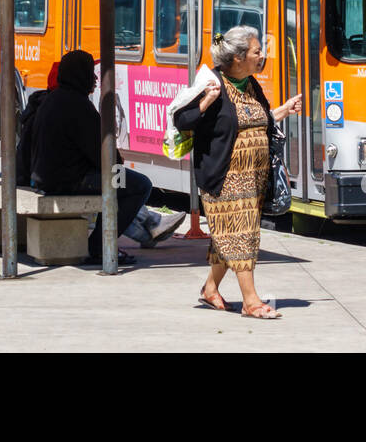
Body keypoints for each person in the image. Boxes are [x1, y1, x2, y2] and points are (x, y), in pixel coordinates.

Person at [173, 25, 301, 319]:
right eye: (257, 52)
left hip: (253, 179)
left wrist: (284, 110)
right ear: (239, 57)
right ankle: (251, 301)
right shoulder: (212, 83)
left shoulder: (251, 85)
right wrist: (206, 100)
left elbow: (261, 119)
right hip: (224, 178)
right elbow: (183, 120)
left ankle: (209, 290)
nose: (262, 56)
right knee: (241, 235)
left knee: (228, 238)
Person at [30, 49, 152, 266]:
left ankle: (133, 226)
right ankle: (99, 247)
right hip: (71, 180)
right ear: (79, 75)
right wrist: (118, 163)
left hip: (50, 177)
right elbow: (102, 154)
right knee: (140, 185)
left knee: (123, 182)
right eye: (90, 74)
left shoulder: (54, 99)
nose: (95, 79)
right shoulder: (76, 105)